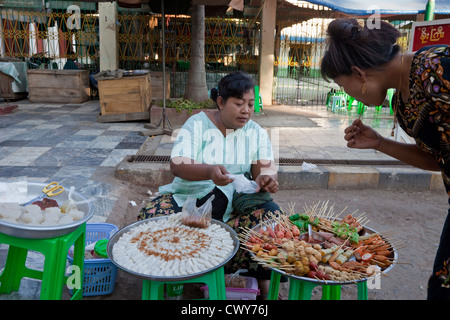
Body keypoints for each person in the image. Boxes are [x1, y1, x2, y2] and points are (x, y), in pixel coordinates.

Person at [320, 18, 450, 300]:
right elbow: (438, 160)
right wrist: (379, 143)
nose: (347, 94)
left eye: (344, 86)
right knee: (441, 289)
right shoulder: (401, 104)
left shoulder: (437, 67)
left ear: (359, 74)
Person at [138, 71, 282, 297]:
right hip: (187, 201)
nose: (246, 110)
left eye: (251, 104)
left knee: (272, 220)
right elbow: (177, 165)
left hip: (231, 211)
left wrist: (267, 178)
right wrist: (209, 171)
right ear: (221, 102)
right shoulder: (197, 124)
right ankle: (180, 276)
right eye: (239, 103)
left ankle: (262, 284)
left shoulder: (255, 132)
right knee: (150, 218)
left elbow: (264, 168)